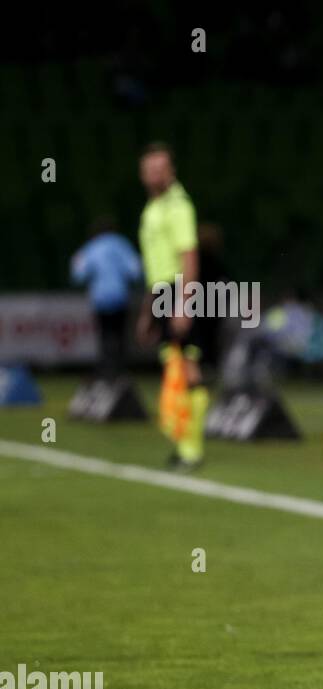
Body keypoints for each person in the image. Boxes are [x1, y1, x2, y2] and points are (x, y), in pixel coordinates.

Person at [136, 142, 208, 470]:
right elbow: (155, 266)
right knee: (175, 367)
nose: (154, 175)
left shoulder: (179, 206)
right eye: (149, 169)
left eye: (160, 169)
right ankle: (183, 443)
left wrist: (184, 303)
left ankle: (191, 449)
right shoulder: (153, 209)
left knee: (187, 366)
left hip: (179, 290)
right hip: (163, 291)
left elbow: (188, 257)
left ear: (171, 172)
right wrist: (147, 311)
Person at [70, 216, 142, 378]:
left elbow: (78, 273)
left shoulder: (92, 247)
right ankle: (120, 371)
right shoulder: (121, 244)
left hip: (100, 298)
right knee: (120, 335)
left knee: (104, 335)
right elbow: (135, 270)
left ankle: (106, 370)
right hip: (120, 297)